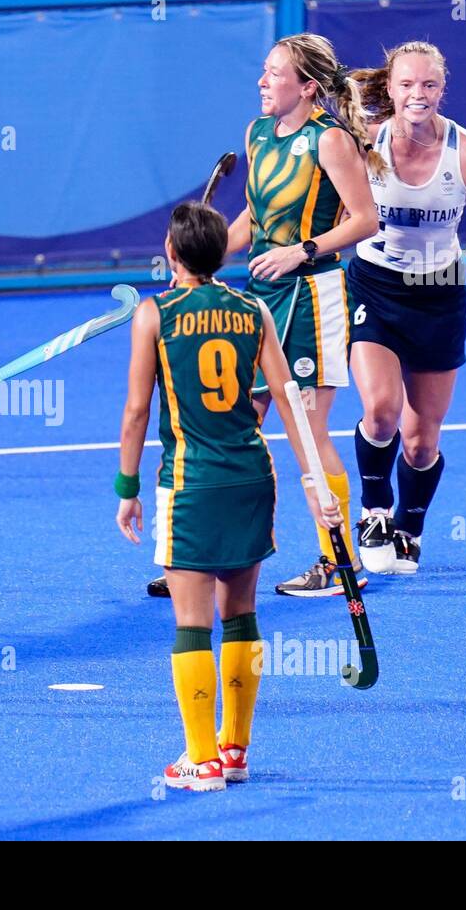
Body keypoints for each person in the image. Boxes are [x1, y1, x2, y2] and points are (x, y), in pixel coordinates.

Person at [117, 202, 341, 790]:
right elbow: (290, 397)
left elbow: (139, 410)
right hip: (252, 477)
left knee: (191, 626)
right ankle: (235, 751)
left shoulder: (153, 314)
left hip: (191, 483)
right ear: (224, 253)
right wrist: (314, 480)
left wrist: (126, 489)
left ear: (171, 254)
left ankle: (201, 759)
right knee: (241, 616)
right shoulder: (254, 309)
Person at [148, 33, 378, 600]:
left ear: (308, 88)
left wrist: (302, 250)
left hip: (311, 295)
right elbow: (253, 215)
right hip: (259, 295)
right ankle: (210, 553)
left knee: (305, 429)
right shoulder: (257, 134)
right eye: (264, 71)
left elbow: (365, 220)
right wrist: (197, 260)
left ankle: (339, 562)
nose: (262, 81)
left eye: (274, 74)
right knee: (231, 425)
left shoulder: (330, 142)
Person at [346, 41, 466, 574]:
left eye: (429, 85)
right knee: (380, 410)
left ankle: (410, 529)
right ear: (390, 89)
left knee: (420, 445)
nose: (418, 94)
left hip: (441, 290)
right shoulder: (359, 142)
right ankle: (374, 510)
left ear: (443, 90)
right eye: (407, 84)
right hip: (374, 283)